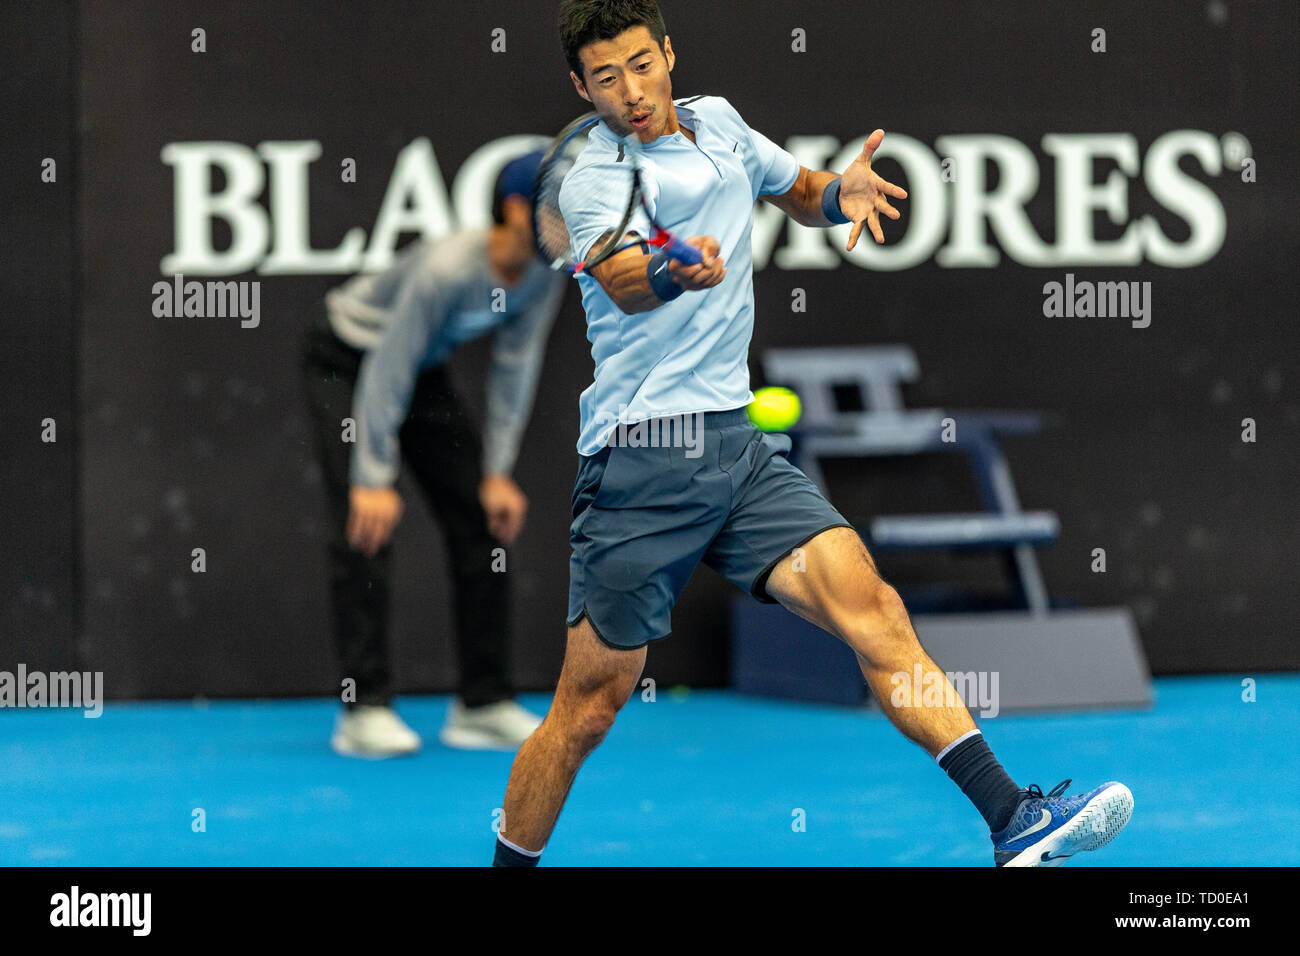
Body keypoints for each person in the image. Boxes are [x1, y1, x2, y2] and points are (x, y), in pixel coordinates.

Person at [492, 0, 1134, 866]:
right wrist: (672, 271)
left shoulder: (719, 124)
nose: (631, 92)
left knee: (874, 610)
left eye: (643, 64)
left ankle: (1011, 815)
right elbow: (621, 274)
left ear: (669, 53)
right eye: (606, 78)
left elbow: (796, 191)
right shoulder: (594, 173)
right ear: (580, 85)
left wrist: (840, 194)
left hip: (739, 452)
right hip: (639, 465)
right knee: (588, 711)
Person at [303, 149, 567, 756]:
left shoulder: (545, 274)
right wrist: (371, 477)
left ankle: (482, 702)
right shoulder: (448, 268)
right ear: (516, 208)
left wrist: (496, 472)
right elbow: (385, 367)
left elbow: (514, 370)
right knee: (365, 523)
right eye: (560, 206)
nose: (574, 219)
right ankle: (363, 708)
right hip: (344, 356)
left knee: (482, 515)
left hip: (417, 370)